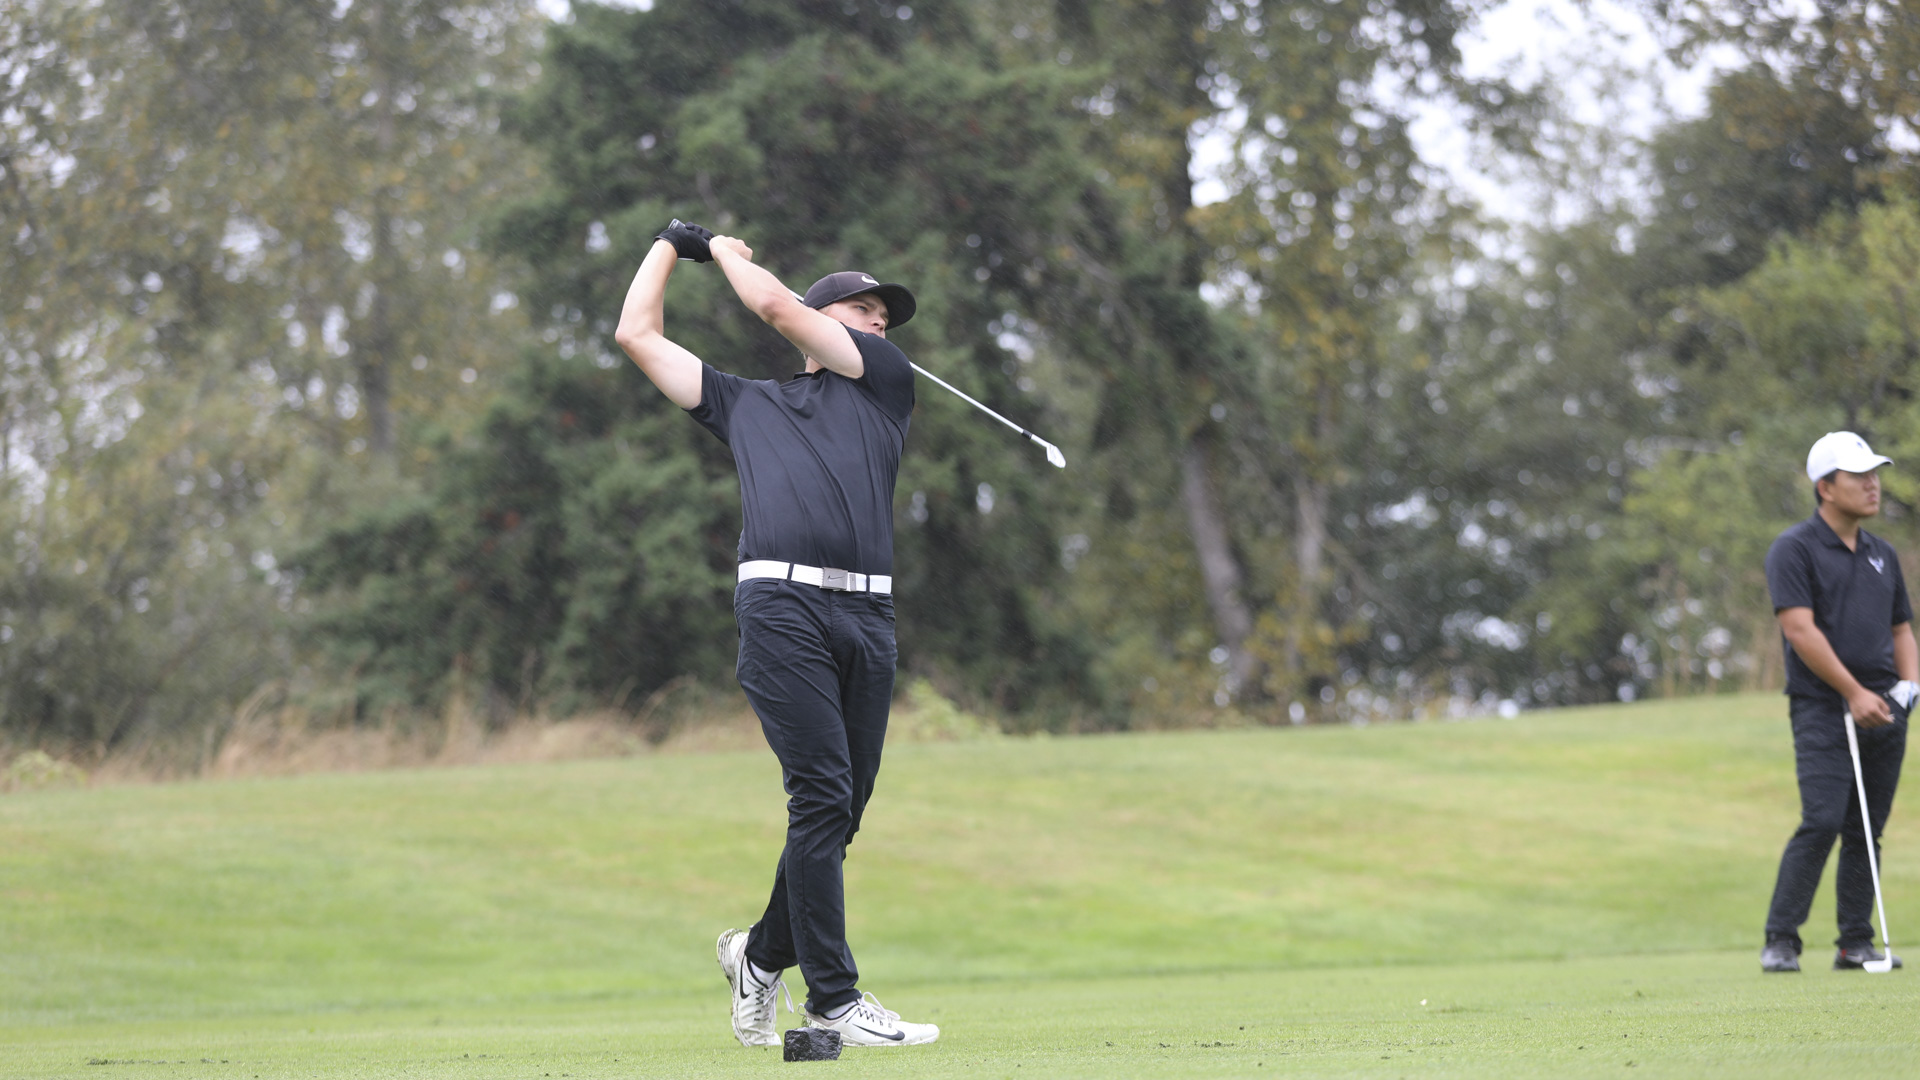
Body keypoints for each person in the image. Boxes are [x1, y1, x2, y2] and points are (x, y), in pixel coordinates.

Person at [612, 220, 938, 1046]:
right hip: (780, 607)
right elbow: (636, 333)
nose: (878, 325)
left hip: (868, 613)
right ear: (821, 318)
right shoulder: (746, 404)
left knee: (842, 809)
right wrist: (673, 245)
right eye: (863, 312)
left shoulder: (884, 383)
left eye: (882, 318)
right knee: (822, 794)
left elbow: (768, 304)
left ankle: (757, 958)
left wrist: (722, 252)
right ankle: (832, 999)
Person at [1760, 431, 1915, 972]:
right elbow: (1800, 631)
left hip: (1886, 707)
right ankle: (1781, 939)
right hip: (1823, 707)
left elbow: (1902, 629)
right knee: (1823, 819)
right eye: (1860, 477)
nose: (1874, 485)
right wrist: (1853, 693)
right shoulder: (1793, 549)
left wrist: (1907, 690)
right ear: (1826, 487)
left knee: (1866, 829)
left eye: (1876, 474)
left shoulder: (1882, 554)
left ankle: (1856, 942)